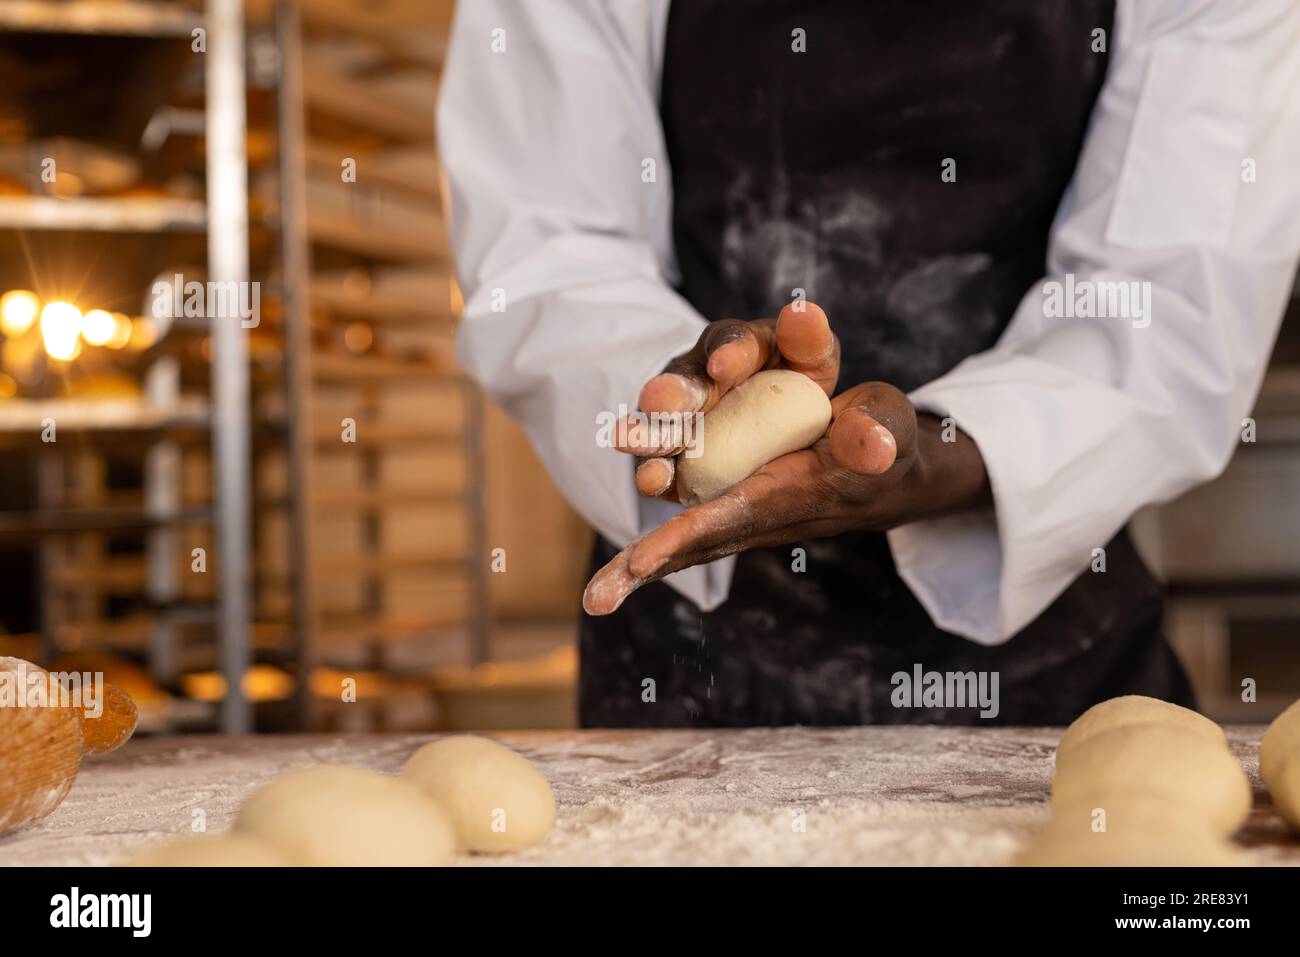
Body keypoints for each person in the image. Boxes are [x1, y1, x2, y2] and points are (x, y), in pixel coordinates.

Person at [438, 1, 1300, 726]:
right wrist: (678, 399)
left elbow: (1168, 297)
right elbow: (549, 248)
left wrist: (940, 450)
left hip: (1050, 671)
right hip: (686, 670)